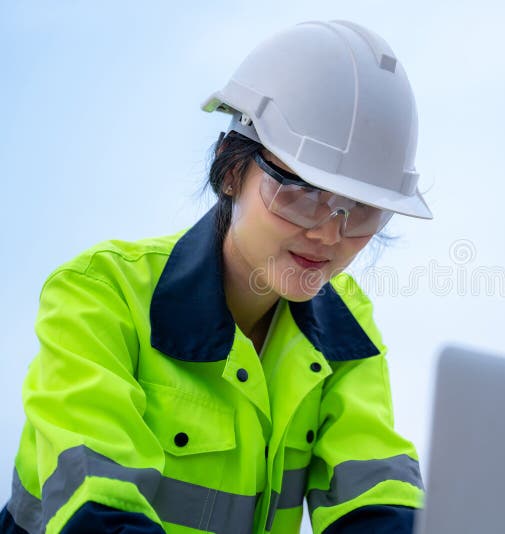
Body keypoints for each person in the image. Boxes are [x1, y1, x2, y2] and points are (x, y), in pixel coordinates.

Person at [0, 19, 432, 534]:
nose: (327, 235)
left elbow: (375, 496)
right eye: (299, 193)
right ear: (231, 170)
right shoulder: (100, 295)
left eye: (360, 210)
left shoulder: (347, 325)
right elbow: (97, 510)